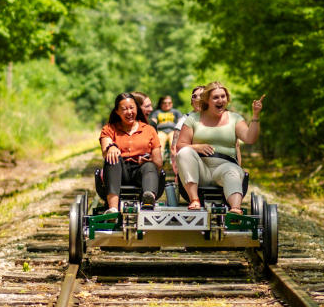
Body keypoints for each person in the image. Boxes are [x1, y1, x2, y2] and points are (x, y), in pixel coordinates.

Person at [172, 82, 264, 214]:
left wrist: (255, 115)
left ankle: (235, 209)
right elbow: (180, 146)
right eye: (216, 97)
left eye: (223, 96)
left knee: (232, 170)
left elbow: (250, 138)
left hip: (225, 166)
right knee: (185, 152)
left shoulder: (234, 118)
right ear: (207, 100)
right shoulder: (193, 119)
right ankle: (194, 200)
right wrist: (196, 147)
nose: (220, 100)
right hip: (200, 168)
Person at [98, 92, 163, 211]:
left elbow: (158, 162)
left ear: (137, 109)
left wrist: (149, 160)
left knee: (150, 165)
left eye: (132, 108)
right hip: (119, 171)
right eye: (124, 109)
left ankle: (148, 200)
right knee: (112, 157)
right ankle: (113, 208)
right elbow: (105, 147)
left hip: (141, 171)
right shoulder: (109, 129)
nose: (129, 112)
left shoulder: (149, 130)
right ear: (117, 111)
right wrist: (111, 147)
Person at [149, 94, 182, 161]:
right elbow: (153, 123)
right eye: (165, 103)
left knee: (173, 140)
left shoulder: (176, 112)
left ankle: (175, 160)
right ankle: (160, 159)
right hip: (161, 131)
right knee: (160, 140)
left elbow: (180, 123)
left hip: (173, 131)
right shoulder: (157, 112)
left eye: (169, 103)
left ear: (172, 104)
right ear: (161, 104)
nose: (167, 104)